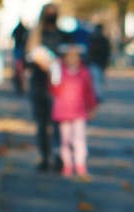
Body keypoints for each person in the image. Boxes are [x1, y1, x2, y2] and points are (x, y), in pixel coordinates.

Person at [26, 3, 69, 171]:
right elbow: (27, 59)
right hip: (39, 84)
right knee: (42, 124)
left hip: (58, 86)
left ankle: (59, 155)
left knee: (58, 123)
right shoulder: (35, 35)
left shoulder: (63, 36)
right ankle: (45, 156)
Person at [50, 43, 98, 177]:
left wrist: (92, 107)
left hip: (79, 111)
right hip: (63, 111)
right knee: (65, 140)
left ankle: (80, 163)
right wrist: (53, 74)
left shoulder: (84, 73)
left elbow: (89, 92)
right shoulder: (60, 72)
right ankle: (67, 164)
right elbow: (54, 90)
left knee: (79, 139)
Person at [87, 23, 112, 100]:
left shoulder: (97, 39)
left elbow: (107, 52)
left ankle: (97, 95)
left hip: (98, 62)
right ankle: (97, 95)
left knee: (97, 79)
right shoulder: (95, 39)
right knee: (97, 79)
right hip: (96, 62)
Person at [11, 19, 29, 93]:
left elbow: (12, 36)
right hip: (20, 50)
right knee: (20, 68)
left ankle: (21, 84)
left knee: (19, 68)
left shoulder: (18, 29)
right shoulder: (24, 30)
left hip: (19, 50)